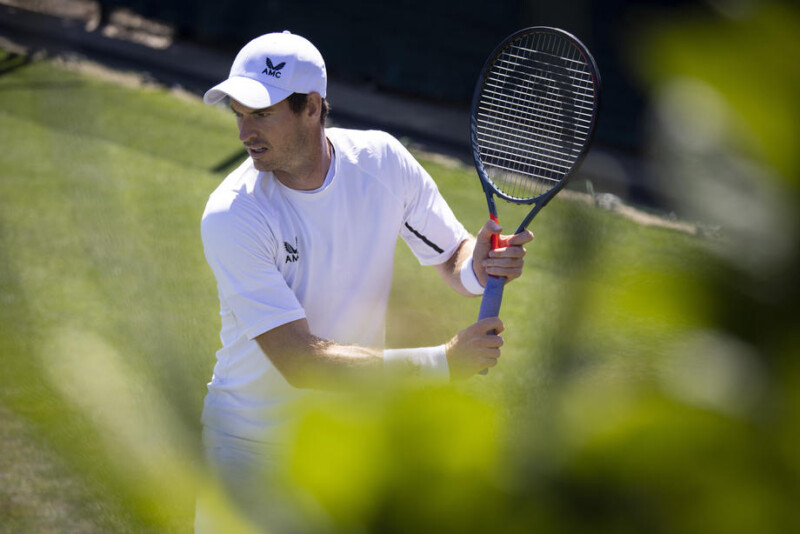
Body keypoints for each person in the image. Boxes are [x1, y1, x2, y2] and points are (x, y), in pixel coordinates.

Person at [195, 31, 533, 532]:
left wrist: (479, 267)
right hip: (250, 452)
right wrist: (442, 363)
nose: (245, 132)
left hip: (344, 444)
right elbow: (300, 361)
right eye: (239, 114)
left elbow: (452, 255)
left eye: (262, 114)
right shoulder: (232, 214)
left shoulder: (383, 162)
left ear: (312, 107)